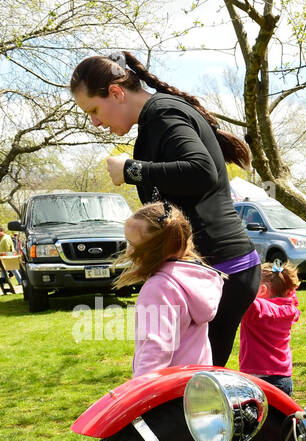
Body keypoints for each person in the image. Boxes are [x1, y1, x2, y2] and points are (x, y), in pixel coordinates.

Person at [71, 51, 259, 367]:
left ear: (116, 93)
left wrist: (131, 170)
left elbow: (201, 171)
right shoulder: (155, 121)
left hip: (221, 269)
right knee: (193, 381)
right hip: (217, 271)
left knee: (190, 382)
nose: (95, 122)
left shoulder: (163, 115)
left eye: (94, 110)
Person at [115, 202, 222, 378]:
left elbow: (156, 348)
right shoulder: (193, 278)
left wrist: (140, 389)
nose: (128, 252)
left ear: (155, 251)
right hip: (197, 386)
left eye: (132, 244)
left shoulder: (159, 288)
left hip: (168, 389)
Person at [239, 260, 300, 396]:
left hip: (260, 378)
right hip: (284, 378)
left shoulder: (257, 310)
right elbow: (292, 296)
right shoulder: (289, 308)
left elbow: (242, 297)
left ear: (262, 290)